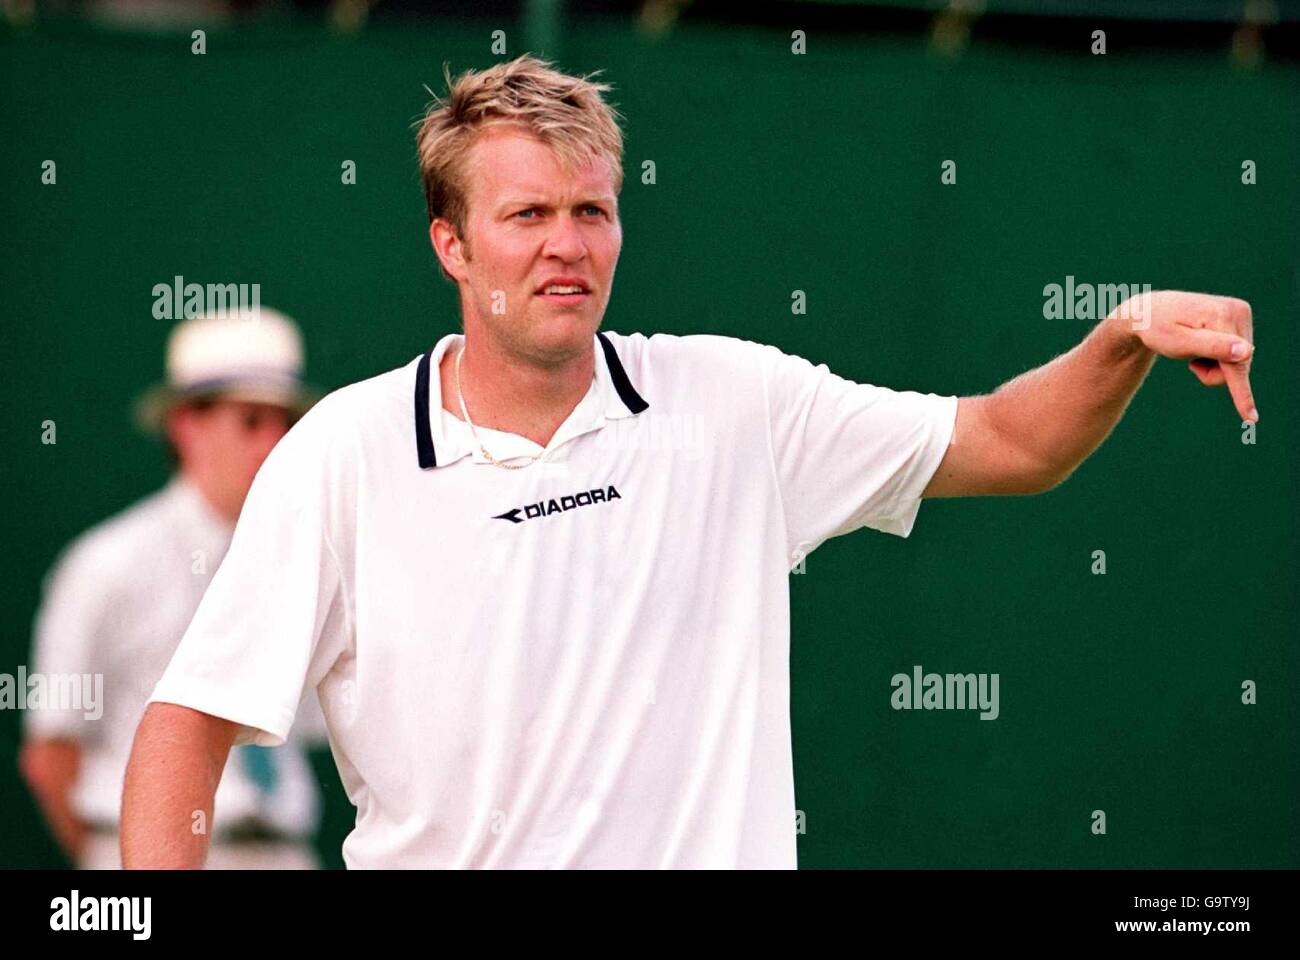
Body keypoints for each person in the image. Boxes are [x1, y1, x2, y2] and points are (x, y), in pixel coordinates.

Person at [121, 56, 1257, 869]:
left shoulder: (734, 400)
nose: (568, 244)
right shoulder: (340, 454)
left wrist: (1119, 337)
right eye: (526, 215)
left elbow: (1014, 441)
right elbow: (189, 725)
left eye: (591, 210)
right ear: (452, 245)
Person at [22, 308, 325, 869]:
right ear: (186, 425)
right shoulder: (107, 564)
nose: (273, 442)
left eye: (284, 422)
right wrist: (111, 863)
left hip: (284, 854)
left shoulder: (305, 555)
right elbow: (51, 752)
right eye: (251, 420)